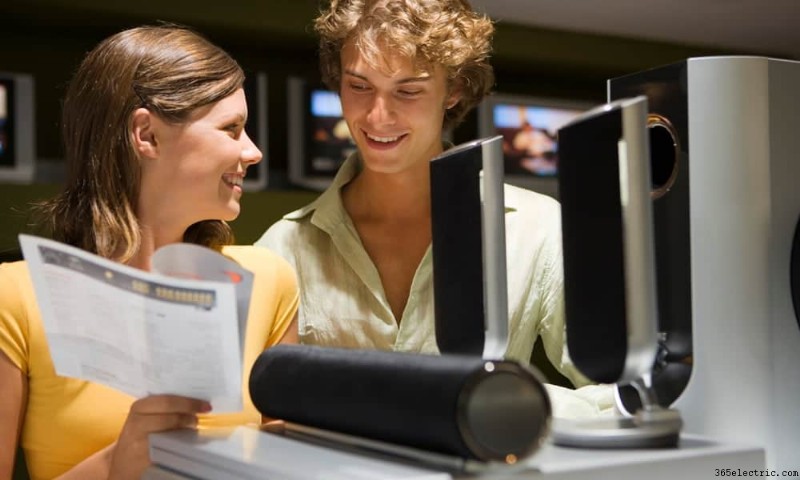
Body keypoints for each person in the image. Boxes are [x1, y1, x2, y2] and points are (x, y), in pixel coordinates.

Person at [256, 0, 613, 418]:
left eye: (407, 91)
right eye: (358, 86)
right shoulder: (285, 246)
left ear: (454, 89)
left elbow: (620, 391)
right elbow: (249, 404)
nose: (377, 115)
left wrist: (505, 405)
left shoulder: (539, 228)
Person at [0, 25, 299, 480]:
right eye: (231, 128)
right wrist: (116, 462)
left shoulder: (267, 280)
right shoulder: (14, 298)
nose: (253, 151)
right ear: (147, 135)